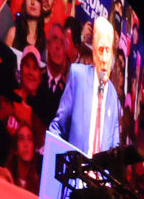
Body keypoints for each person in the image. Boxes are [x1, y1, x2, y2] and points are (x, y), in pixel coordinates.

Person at [52, 15, 127, 159]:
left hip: (98, 179)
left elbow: (115, 149)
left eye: (109, 51)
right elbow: (58, 127)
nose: (105, 59)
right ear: (93, 52)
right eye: (100, 50)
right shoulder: (77, 75)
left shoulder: (113, 98)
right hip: (74, 173)